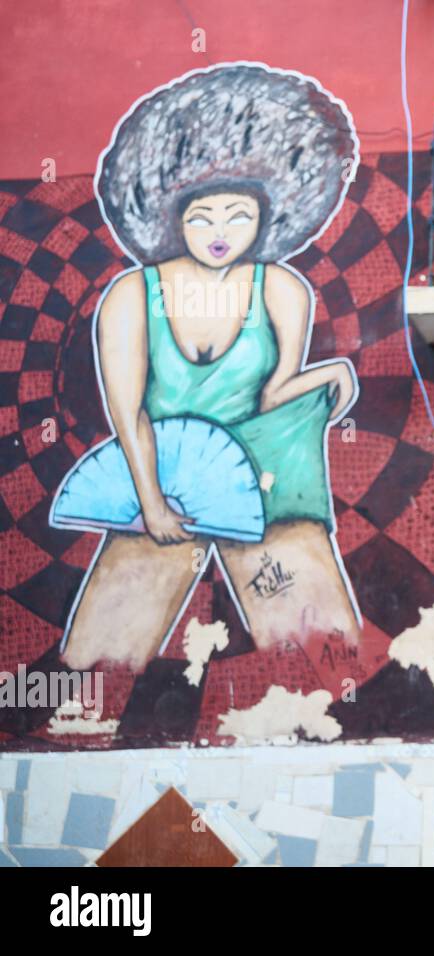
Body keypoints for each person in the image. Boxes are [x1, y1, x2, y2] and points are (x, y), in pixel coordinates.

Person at [52, 63, 362, 673]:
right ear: (173, 217)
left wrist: (329, 379)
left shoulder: (280, 289)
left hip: (262, 486)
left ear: (265, 217)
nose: (220, 232)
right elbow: (129, 411)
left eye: (238, 215)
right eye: (203, 217)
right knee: (92, 668)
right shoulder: (130, 297)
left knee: (327, 656)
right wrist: (153, 505)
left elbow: (273, 397)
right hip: (162, 486)